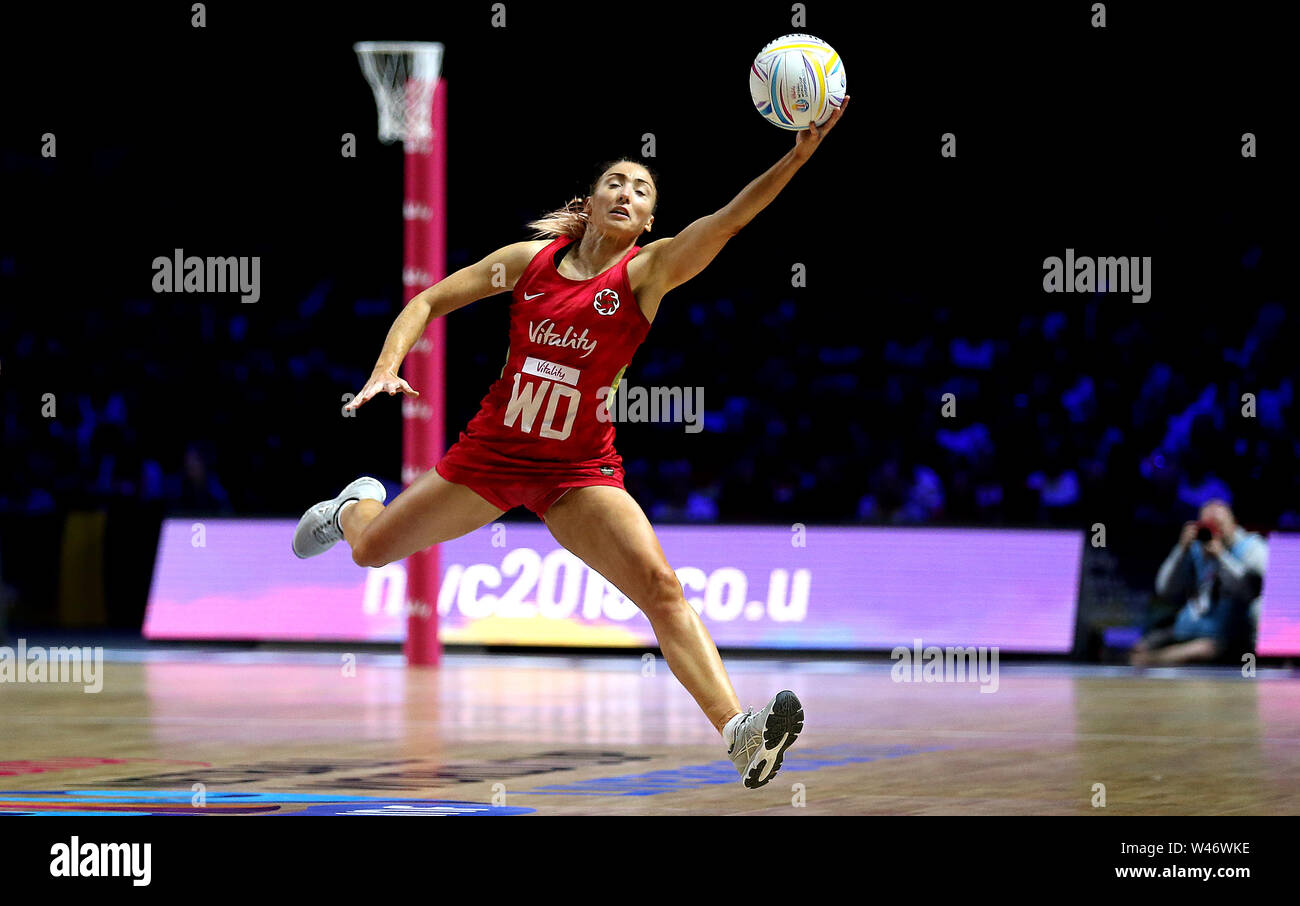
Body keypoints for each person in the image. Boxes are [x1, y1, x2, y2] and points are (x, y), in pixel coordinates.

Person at [293, 99, 850, 788]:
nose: (627, 193)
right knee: (372, 550)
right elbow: (428, 301)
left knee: (662, 587)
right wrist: (386, 367)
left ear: (648, 224)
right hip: (489, 461)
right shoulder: (527, 263)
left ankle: (738, 734)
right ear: (589, 202)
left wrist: (796, 157)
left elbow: (729, 222)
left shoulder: (647, 275)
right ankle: (351, 506)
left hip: (577, 472)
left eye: (642, 190)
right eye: (616, 182)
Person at [1130, 499, 1268, 666]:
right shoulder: (1196, 547)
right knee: (1140, 647)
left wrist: (1222, 556)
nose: (1215, 532)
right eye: (1209, 526)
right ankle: (1154, 657)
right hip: (1187, 628)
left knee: (1203, 649)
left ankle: (1155, 659)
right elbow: (1164, 589)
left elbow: (1252, 592)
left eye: (1219, 525)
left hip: (1227, 636)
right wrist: (1181, 550)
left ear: (1233, 523)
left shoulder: (1251, 548)